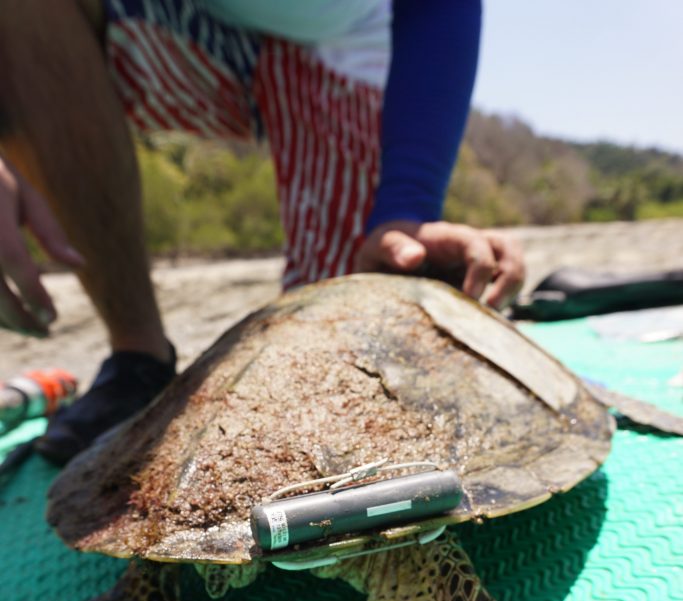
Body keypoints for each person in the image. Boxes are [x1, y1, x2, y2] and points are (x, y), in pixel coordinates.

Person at [0, 0, 524, 465]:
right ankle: (138, 355)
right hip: (170, 23)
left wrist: (409, 204)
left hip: (342, 38)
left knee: (349, 375)